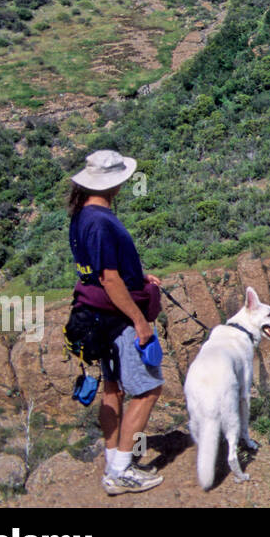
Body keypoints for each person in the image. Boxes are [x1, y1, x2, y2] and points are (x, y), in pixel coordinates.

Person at [67, 150, 165, 495]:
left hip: (93, 316)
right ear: (116, 182)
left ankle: (113, 460)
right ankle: (121, 472)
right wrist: (140, 322)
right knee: (149, 389)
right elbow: (109, 280)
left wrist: (137, 276)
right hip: (117, 320)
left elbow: (98, 272)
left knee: (113, 388)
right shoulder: (103, 221)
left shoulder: (81, 216)